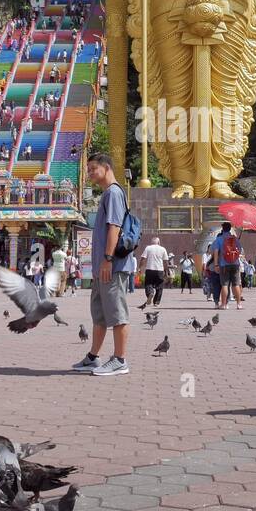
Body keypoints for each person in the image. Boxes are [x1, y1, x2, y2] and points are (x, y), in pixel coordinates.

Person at [73, 154, 135, 375]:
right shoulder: (108, 194)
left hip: (113, 265)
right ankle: (93, 357)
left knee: (117, 313)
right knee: (99, 314)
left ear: (106, 167)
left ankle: (120, 360)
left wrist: (108, 260)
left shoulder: (115, 193)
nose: (89, 172)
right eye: (88, 169)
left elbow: (114, 228)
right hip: (102, 266)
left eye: (92, 168)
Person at [213, 222, 244, 309]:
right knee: (236, 284)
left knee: (225, 285)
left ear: (222, 229)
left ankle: (223, 304)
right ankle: (239, 304)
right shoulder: (235, 239)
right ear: (230, 229)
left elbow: (215, 252)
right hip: (235, 264)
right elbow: (240, 251)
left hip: (224, 264)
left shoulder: (219, 239)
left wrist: (216, 265)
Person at [140, 235, 168, 308]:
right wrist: (166, 271)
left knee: (148, 284)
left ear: (151, 242)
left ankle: (150, 293)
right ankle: (156, 302)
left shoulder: (148, 248)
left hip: (150, 269)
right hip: (159, 270)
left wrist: (140, 268)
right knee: (159, 286)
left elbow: (143, 258)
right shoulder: (163, 249)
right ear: (159, 242)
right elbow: (165, 261)